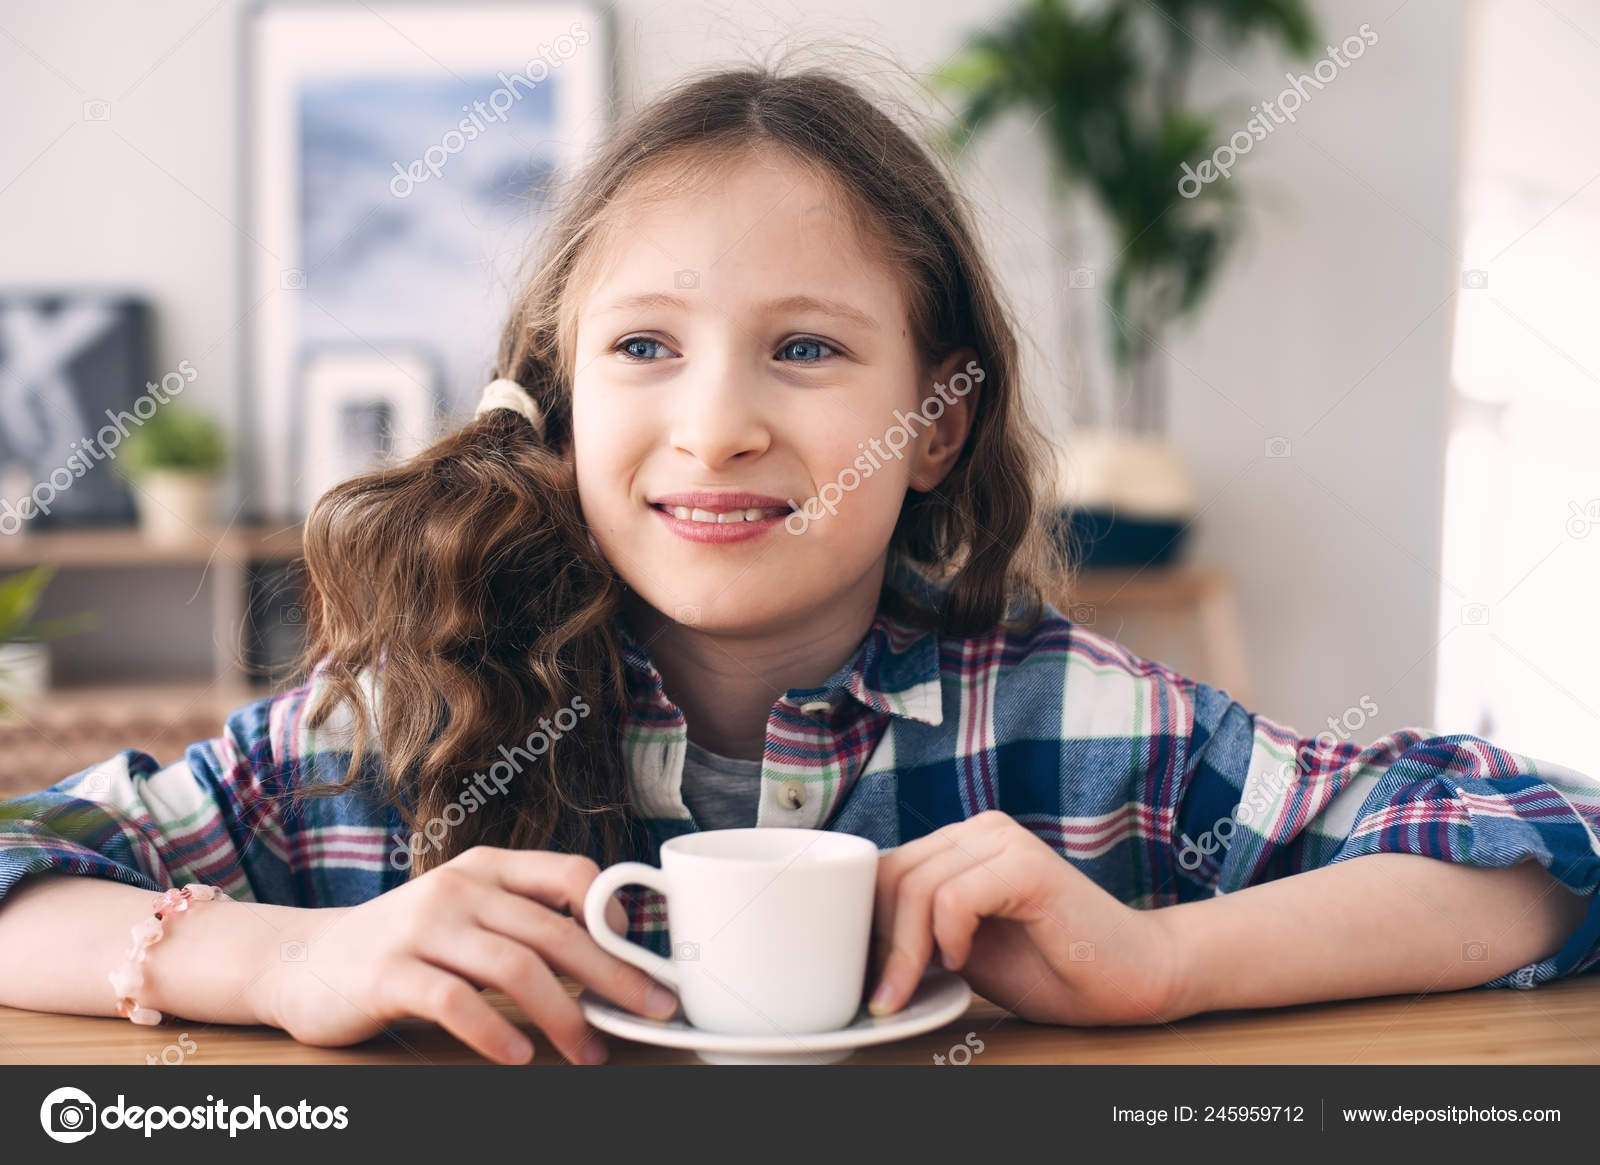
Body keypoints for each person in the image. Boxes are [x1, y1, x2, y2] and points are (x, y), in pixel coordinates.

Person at [1, 67, 1596, 1068]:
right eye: (644, 347)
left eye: (808, 349)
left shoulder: (1078, 727)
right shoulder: (397, 720)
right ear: (555, 408)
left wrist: (1167, 960)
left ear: (935, 423)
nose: (718, 428)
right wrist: (288, 956)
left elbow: (1547, 851)